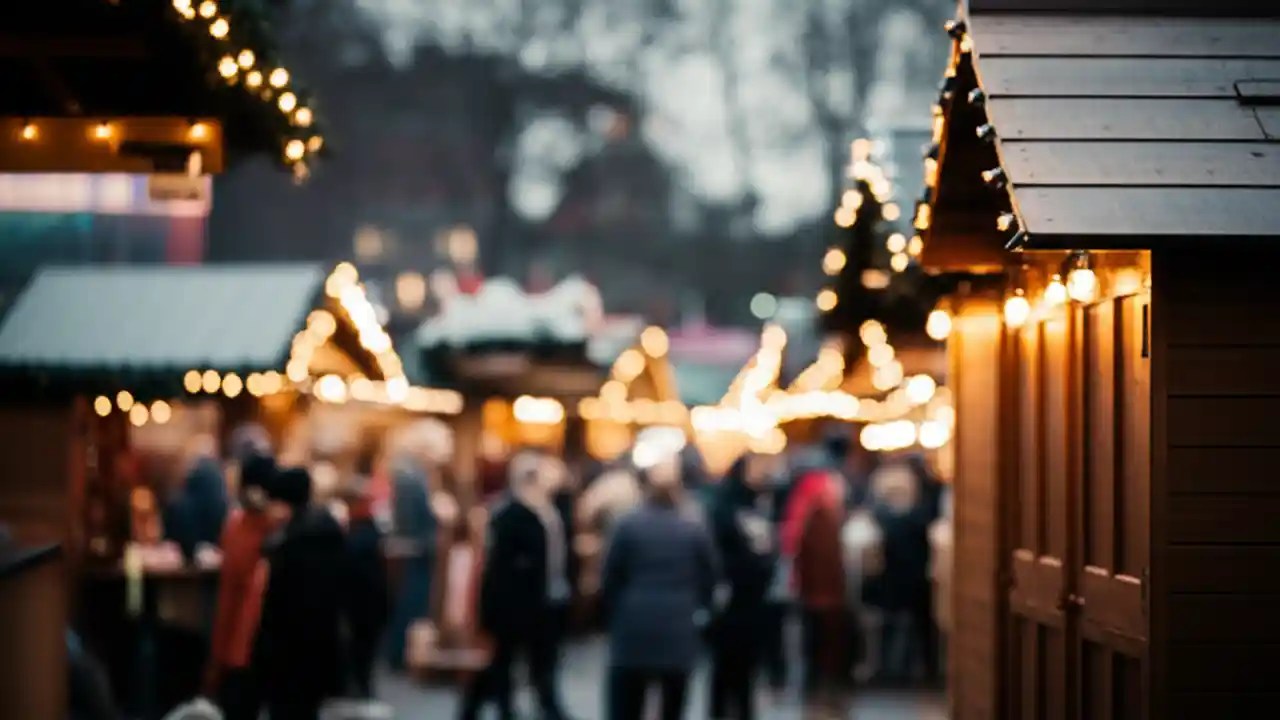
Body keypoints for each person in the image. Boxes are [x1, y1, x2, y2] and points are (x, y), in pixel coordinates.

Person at [601, 451, 719, 720]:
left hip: (633, 622)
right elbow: (709, 575)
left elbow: (611, 575)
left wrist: (613, 611)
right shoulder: (692, 526)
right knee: (672, 703)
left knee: (627, 703)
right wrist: (700, 610)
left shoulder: (627, 524)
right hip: (678, 623)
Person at [459, 450, 571, 720]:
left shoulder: (550, 509)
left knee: (542, 660)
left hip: (547, 599)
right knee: (502, 661)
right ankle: (497, 707)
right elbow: (499, 567)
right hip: (515, 603)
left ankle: (548, 705)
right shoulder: (509, 514)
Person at [255, 467, 347, 720]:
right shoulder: (328, 532)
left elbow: (278, 602)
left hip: (288, 647)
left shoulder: (291, 542)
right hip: (320, 643)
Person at [204, 453, 277, 720]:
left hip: (242, 645)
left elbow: (228, 597)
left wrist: (217, 657)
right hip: (273, 645)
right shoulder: (283, 526)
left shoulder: (238, 526)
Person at [708, 452, 778, 720]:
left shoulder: (760, 504)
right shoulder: (725, 508)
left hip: (753, 601)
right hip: (730, 601)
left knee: (747, 670)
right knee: (725, 669)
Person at [794, 467, 849, 713]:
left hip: (817, 595)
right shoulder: (823, 520)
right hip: (824, 596)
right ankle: (821, 688)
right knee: (824, 645)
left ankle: (816, 686)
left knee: (816, 644)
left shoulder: (816, 518)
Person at [385, 454, 438, 670]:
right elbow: (408, 521)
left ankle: (404, 652)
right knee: (410, 604)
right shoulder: (411, 478)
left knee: (411, 604)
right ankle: (401, 653)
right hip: (415, 550)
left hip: (416, 549)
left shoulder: (416, 476)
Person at [342, 478, 389, 698]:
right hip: (366, 601)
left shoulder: (363, 533)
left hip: (363, 601)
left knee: (362, 648)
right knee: (362, 649)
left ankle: (360, 687)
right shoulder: (368, 531)